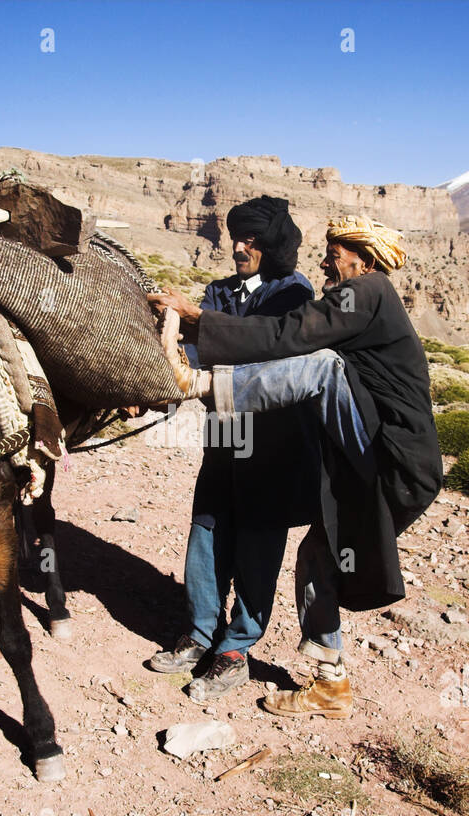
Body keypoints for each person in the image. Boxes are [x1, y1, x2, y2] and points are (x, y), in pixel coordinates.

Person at [148, 215, 442, 719]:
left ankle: (197, 385)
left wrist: (195, 326)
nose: (326, 260)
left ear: (364, 259)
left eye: (336, 252)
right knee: (316, 561)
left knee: (324, 365)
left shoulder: (368, 291)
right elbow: (276, 335)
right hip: (363, 461)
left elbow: (288, 335)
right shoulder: (343, 297)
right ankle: (331, 684)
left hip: (392, 457)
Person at [147, 196, 317, 704]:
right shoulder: (219, 290)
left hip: (272, 438)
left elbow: (266, 344)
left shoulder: (294, 293)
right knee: (207, 529)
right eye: (238, 238)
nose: (240, 248)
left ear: (272, 246)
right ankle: (200, 633)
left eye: (252, 241)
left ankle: (237, 648)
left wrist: (196, 317)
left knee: (258, 540)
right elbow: (197, 353)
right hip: (224, 432)